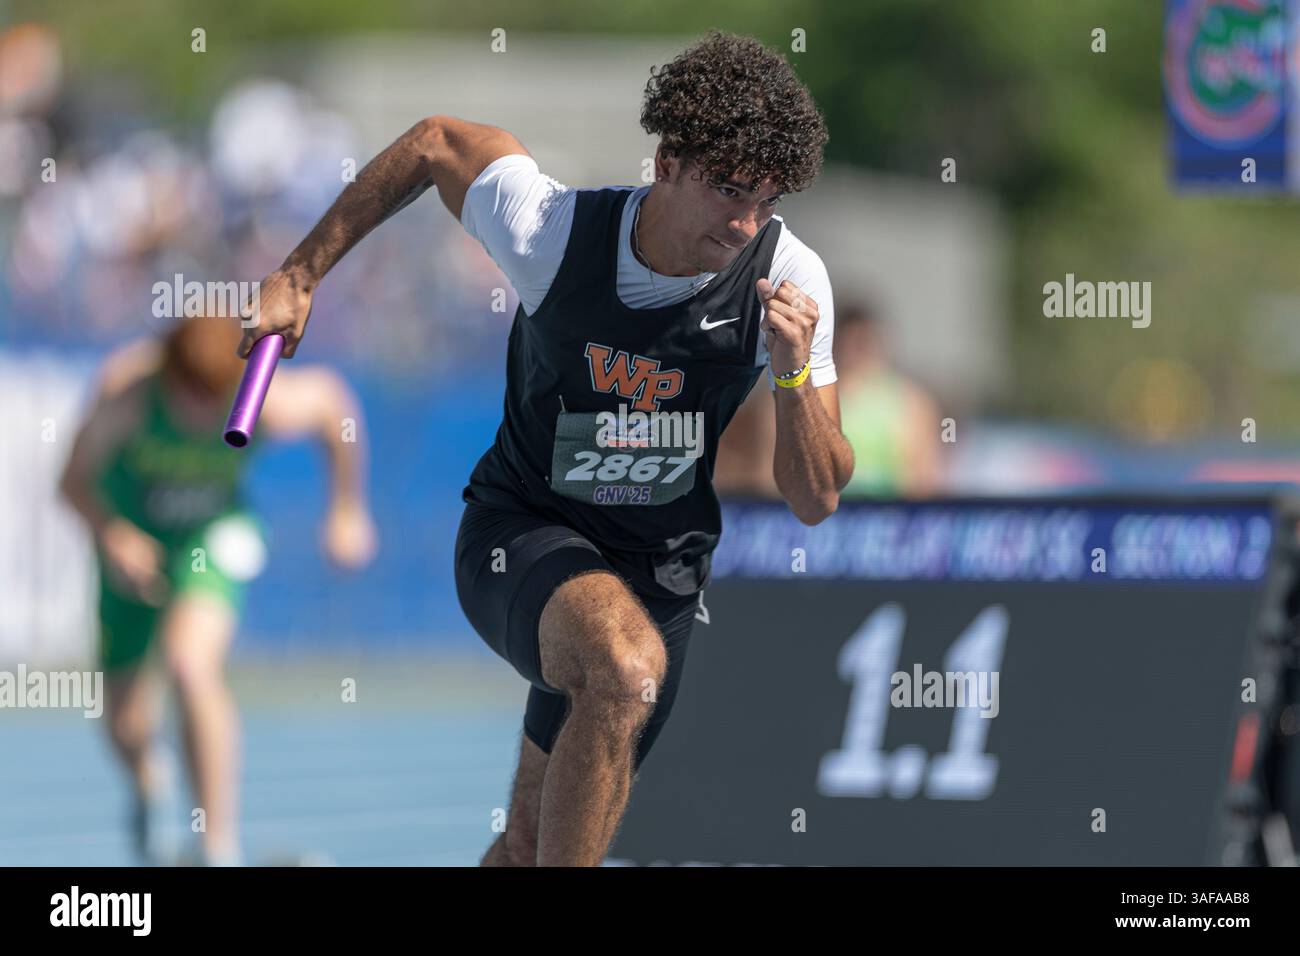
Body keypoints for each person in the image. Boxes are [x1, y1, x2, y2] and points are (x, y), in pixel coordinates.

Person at [237, 30, 854, 866]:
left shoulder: (791, 281)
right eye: (729, 190)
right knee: (624, 671)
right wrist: (303, 273)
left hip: (661, 573)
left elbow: (816, 498)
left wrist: (788, 377)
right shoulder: (549, 229)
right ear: (667, 162)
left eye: (767, 201)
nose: (745, 224)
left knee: (529, 844)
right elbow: (433, 143)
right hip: (520, 536)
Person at [59, 314, 377, 865]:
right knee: (125, 723)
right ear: (168, 377)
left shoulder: (257, 396)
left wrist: (347, 508)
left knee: (190, 664)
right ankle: (147, 779)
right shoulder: (126, 394)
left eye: (218, 401)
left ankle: (216, 846)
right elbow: (69, 480)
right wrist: (114, 538)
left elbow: (332, 404)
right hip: (133, 543)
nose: (208, 415)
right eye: (194, 400)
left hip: (212, 534)